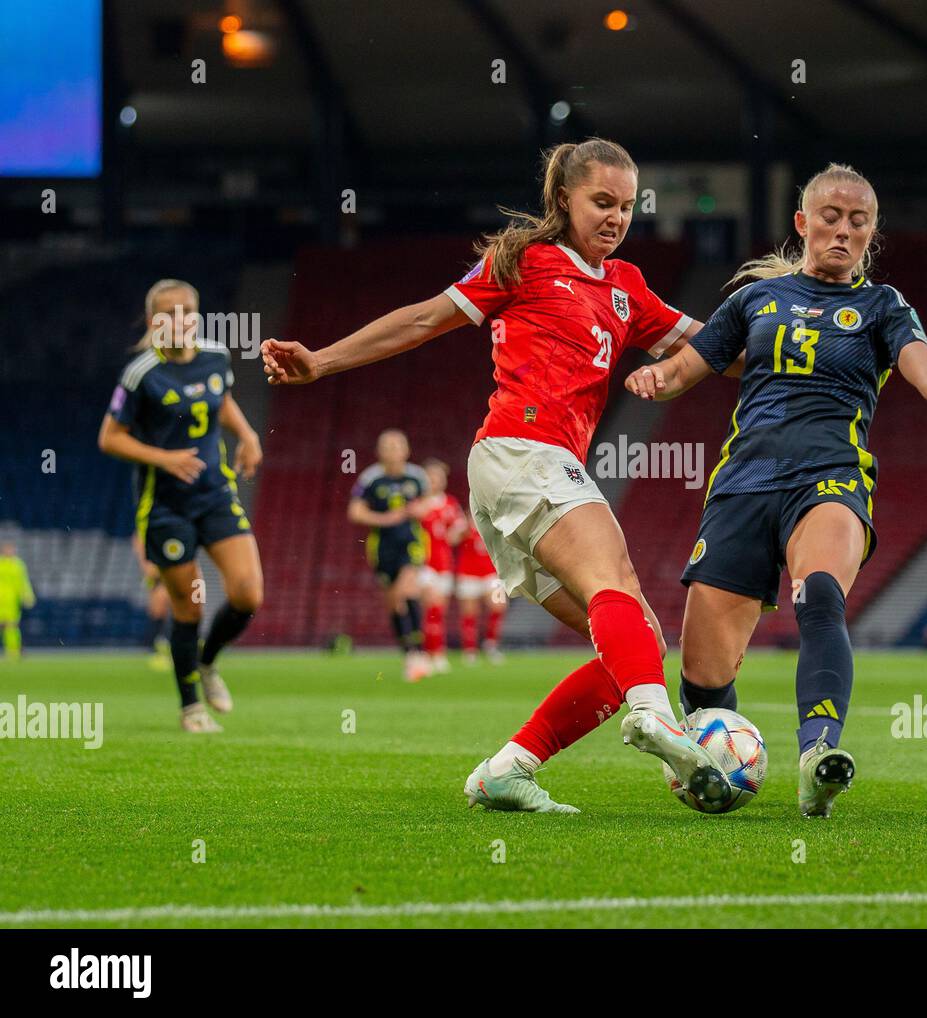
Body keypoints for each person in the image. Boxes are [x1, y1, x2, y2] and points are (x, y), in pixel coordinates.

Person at [262, 138, 737, 813]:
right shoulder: (528, 263)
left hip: (528, 475)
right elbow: (424, 319)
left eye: (627, 206)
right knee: (618, 585)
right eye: (601, 201)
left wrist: (801, 338)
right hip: (521, 451)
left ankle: (508, 770)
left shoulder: (628, 286)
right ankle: (657, 718)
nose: (615, 217)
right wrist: (323, 361)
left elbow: (715, 347)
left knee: (633, 641)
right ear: (564, 199)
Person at [625, 163, 927, 816]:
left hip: (830, 477)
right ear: (803, 224)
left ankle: (817, 758)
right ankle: (715, 763)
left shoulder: (883, 309)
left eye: (858, 221)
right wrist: (654, 379)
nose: (843, 230)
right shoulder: (753, 303)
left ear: (872, 234)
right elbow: (689, 367)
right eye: (830, 217)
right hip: (743, 485)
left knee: (821, 594)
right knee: (702, 677)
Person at [99, 278, 265, 733]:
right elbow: (109, 438)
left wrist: (248, 435)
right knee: (189, 606)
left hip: (215, 494)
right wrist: (165, 458)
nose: (179, 321)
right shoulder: (141, 373)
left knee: (248, 593)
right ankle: (190, 705)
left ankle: (208, 662)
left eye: (187, 312)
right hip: (166, 507)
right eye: (168, 315)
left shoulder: (216, 356)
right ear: (154, 323)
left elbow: (221, 400)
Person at [349, 431, 433, 681]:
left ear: (406, 450)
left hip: (412, 542)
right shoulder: (371, 478)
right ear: (379, 451)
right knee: (393, 602)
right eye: (387, 446)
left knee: (407, 592)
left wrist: (419, 509)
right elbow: (355, 511)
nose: (393, 450)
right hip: (382, 547)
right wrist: (384, 519)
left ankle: (419, 653)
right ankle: (408, 652)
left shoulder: (416, 476)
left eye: (398, 445)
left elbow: (430, 502)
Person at [416, 458, 466, 674]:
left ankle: (432, 653)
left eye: (438, 477)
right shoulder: (418, 504)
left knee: (438, 612)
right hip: (423, 563)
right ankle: (432, 653)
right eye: (431, 477)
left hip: (444, 563)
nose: (435, 481)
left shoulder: (450, 503)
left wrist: (454, 533)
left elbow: (459, 529)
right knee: (432, 607)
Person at [455, 519, 506, 665]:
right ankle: (470, 650)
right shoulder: (465, 528)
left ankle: (491, 644)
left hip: (491, 574)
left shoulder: (493, 526)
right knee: (470, 613)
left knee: (499, 606)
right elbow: (452, 538)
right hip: (468, 574)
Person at [132, 531, 175, 671]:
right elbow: (138, 544)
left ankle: (165, 644)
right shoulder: (144, 533)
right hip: (158, 574)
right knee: (157, 609)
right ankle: (157, 646)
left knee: (166, 607)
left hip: (168, 572)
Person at [0, 541, 36, 660]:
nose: (9, 551)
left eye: (11, 549)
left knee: (11, 626)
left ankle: (13, 650)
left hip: (11, 601)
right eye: (7, 549)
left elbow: (23, 582)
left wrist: (28, 595)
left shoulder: (18, 565)